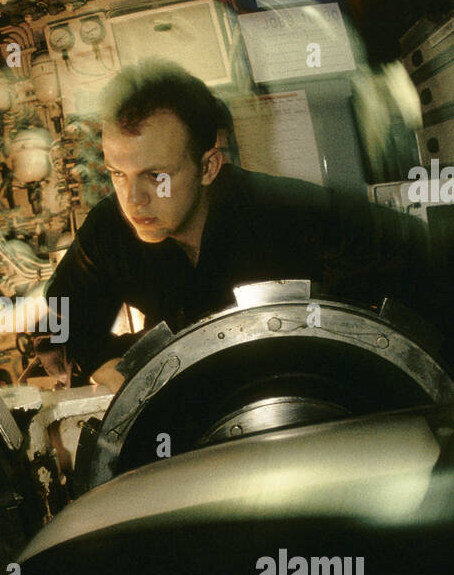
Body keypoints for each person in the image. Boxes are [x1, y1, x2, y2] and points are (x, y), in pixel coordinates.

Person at [41, 60, 451, 390]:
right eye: (117, 173)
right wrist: (101, 362)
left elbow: (424, 263)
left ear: (208, 166)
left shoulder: (291, 212)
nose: (133, 200)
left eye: (156, 176)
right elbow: (59, 321)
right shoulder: (110, 229)